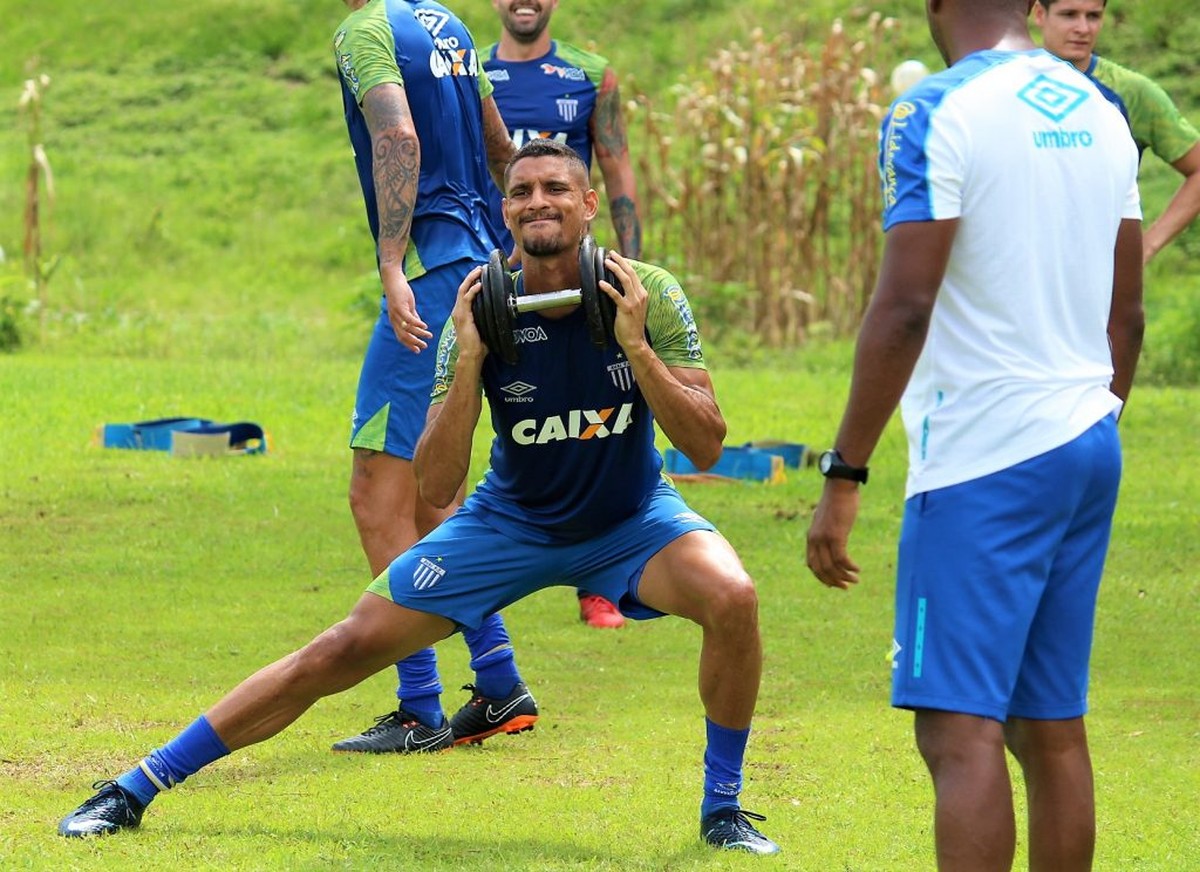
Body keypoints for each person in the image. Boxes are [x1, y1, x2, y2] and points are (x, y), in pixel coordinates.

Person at [57, 138, 780, 856]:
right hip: (509, 524)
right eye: (523, 191)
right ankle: (134, 787)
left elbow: (708, 443)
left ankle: (723, 810)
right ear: (505, 211)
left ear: (589, 204)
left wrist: (636, 347)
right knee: (337, 651)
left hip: (632, 520)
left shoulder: (645, 292)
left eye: (557, 189)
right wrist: (469, 358)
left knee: (734, 596)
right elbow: (435, 485)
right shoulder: (481, 302)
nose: (539, 203)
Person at [806, 1, 1143, 869]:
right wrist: (1091, 418)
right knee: (1051, 725)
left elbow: (905, 307)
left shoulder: (935, 108)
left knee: (960, 733)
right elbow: (1128, 317)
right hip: (1087, 434)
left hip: (985, 455)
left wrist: (845, 474)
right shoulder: (1099, 109)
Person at [332, 0, 538, 754]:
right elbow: (498, 146)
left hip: (430, 271)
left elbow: (395, 134)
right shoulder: (448, 23)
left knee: (378, 493)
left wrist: (392, 261)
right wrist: (510, 243)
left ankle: (420, 703)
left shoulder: (364, 31)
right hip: (480, 262)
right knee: (430, 495)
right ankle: (497, 680)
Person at [483, 0, 645, 630]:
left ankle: (599, 583)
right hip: (500, 275)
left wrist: (628, 271)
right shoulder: (469, 72)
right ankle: (492, 559)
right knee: (512, 418)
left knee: (592, 412)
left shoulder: (590, 73)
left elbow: (618, 171)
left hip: (579, 283)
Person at [1033, 0, 1200, 264]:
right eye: (1069, 15)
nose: (1083, 28)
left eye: (1093, 16)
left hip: (1104, 274)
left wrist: (1145, 247)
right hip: (1027, 266)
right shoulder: (1009, 85)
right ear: (1040, 14)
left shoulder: (1132, 92)